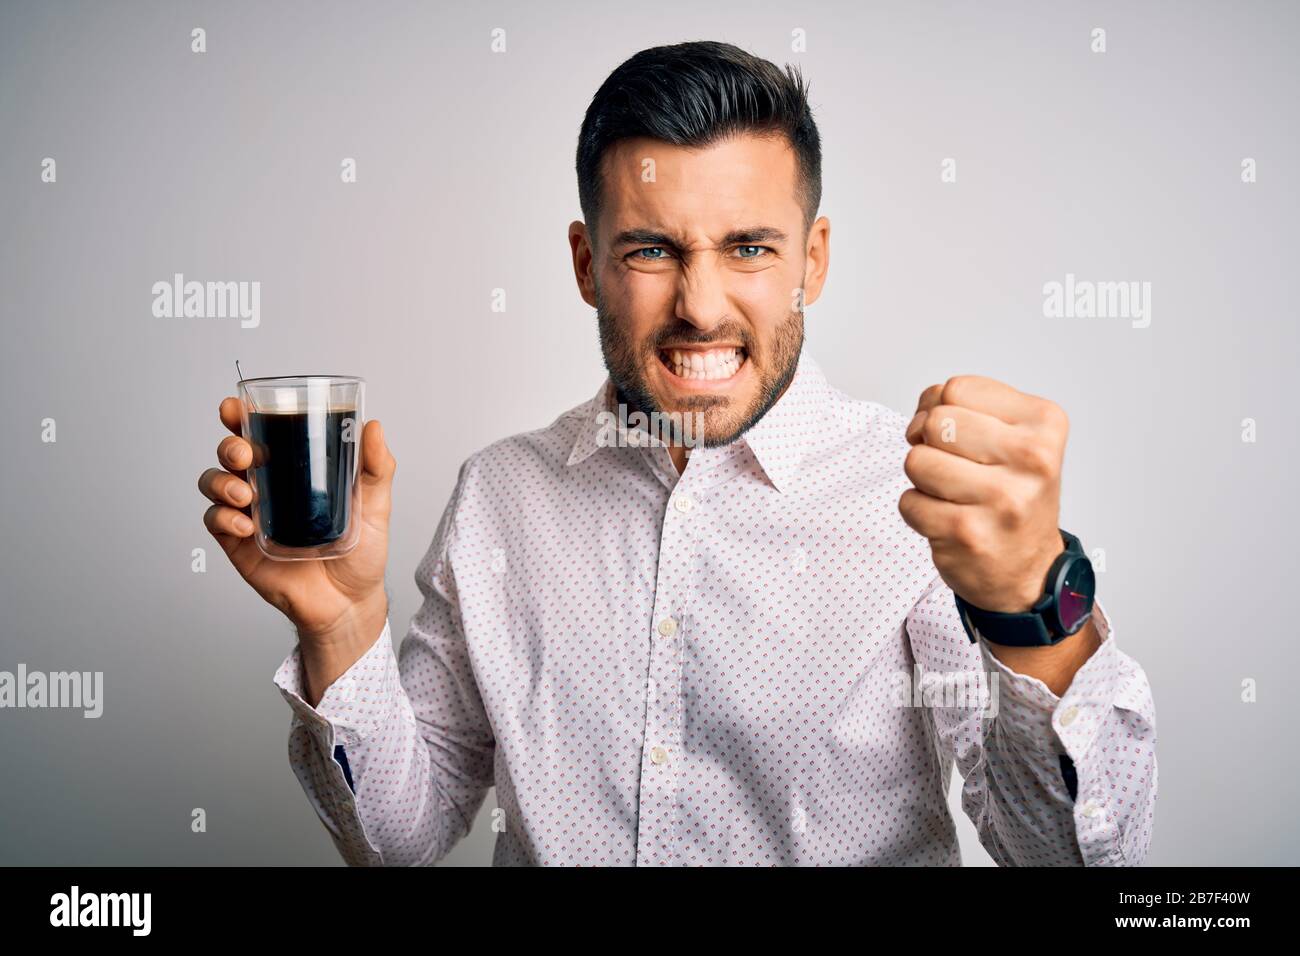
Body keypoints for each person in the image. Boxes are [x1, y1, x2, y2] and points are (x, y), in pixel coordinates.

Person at [197, 40, 1156, 866]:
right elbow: (402, 840)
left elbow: (1066, 858)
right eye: (652, 251)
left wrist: (1037, 606)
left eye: (749, 248)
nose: (701, 306)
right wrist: (343, 625)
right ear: (586, 264)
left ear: (812, 260)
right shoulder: (498, 497)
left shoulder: (912, 506)